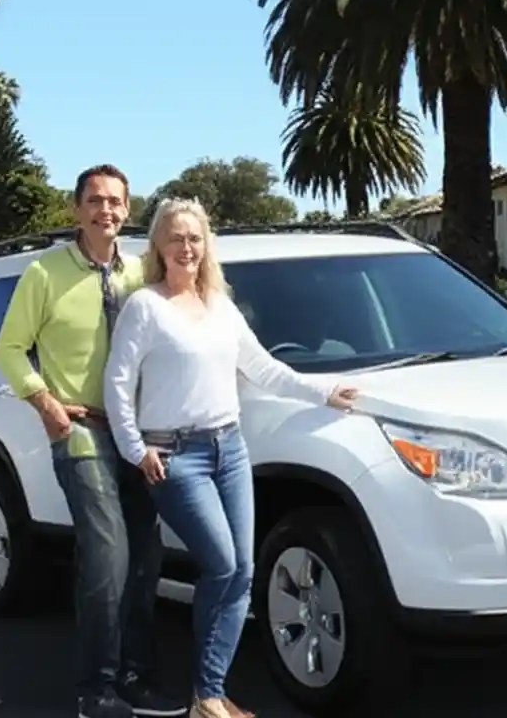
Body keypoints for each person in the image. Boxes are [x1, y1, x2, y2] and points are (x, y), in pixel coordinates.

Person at [103, 198, 358, 718]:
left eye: (194, 237)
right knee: (221, 563)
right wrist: (136, 449)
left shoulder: (220, 304)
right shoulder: (145, 307)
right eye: (175, 237)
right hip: (175, 457)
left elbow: (263, 368)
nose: (186, 247)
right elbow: (118, 384)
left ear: (206, 244)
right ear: (158, 246)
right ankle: (209, 693)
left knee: (242, 570)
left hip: (230, 449)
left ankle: (209, 694)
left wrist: (323, 391)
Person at [0, 165, 185, 718]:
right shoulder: (44, 273)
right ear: (77, 209)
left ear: (128, 210)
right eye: (95, 200)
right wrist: (46, 405)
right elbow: (10, 349)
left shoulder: (140, 276)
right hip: (80, 433)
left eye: (116, 202)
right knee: (107, 556)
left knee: (146, 555)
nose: (107, 210)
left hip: (135, 434)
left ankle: (137, 678)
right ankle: (96, 691)